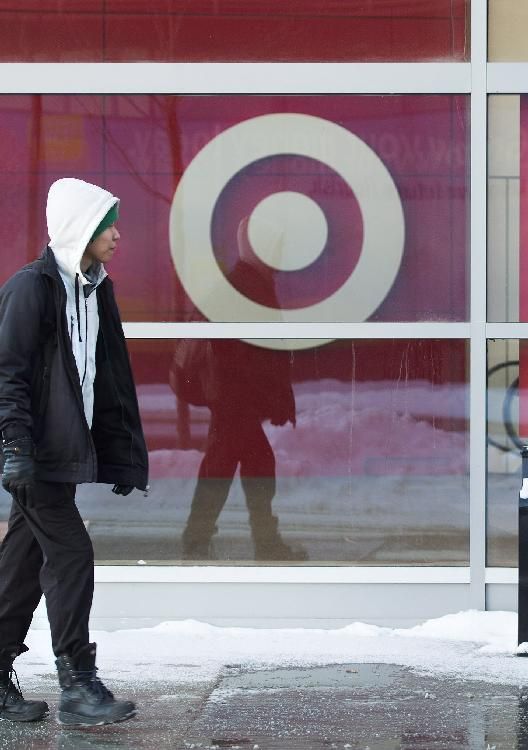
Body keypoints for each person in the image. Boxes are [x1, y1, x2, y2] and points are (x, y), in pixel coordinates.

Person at [0, 178, 148, 726]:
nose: (117, 235)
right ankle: (79, 686)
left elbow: (103, 379)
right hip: (32, 454)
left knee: (22, 562)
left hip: (61, 451)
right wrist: (15, 446)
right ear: (80, 228)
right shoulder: (31, 288)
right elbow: (6, 373)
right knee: (71, 555)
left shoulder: (93, 289)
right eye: (107, 224)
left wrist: (119, 453)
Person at [179, 217, 303, 561]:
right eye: (273, 244)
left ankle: (212, 539)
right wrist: (267, 396)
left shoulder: (250, 281)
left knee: (247, 463)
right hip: (236, 399)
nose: (279, 252)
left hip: (236, 398)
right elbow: (246, 353)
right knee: (235, 465)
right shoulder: (245, 285)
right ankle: (212, 540)